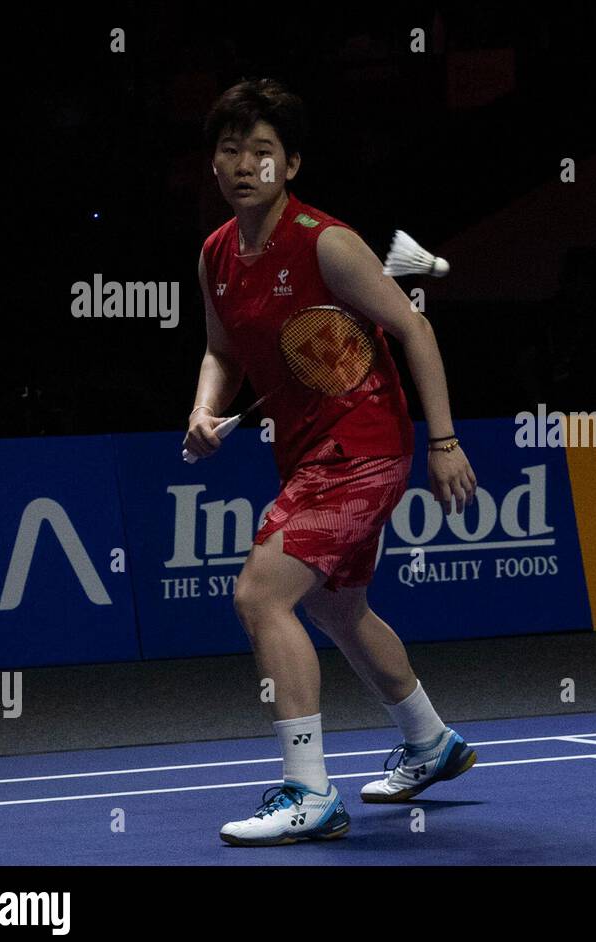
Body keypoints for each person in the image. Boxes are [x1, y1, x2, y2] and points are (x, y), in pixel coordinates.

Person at [183, 79, 479, 846]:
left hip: (366, 444)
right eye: (231, 149)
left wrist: (443, 442)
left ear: (293, 163)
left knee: (259, 594)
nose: (245, 164)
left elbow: (414, 330)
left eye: (263, 152)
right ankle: (430, 740)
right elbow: (221, 352)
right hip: (308, 447)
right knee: (334, 606)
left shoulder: (326, 244)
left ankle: (308, 791)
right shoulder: (216, 255)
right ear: (213, 162)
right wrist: (205, 409)